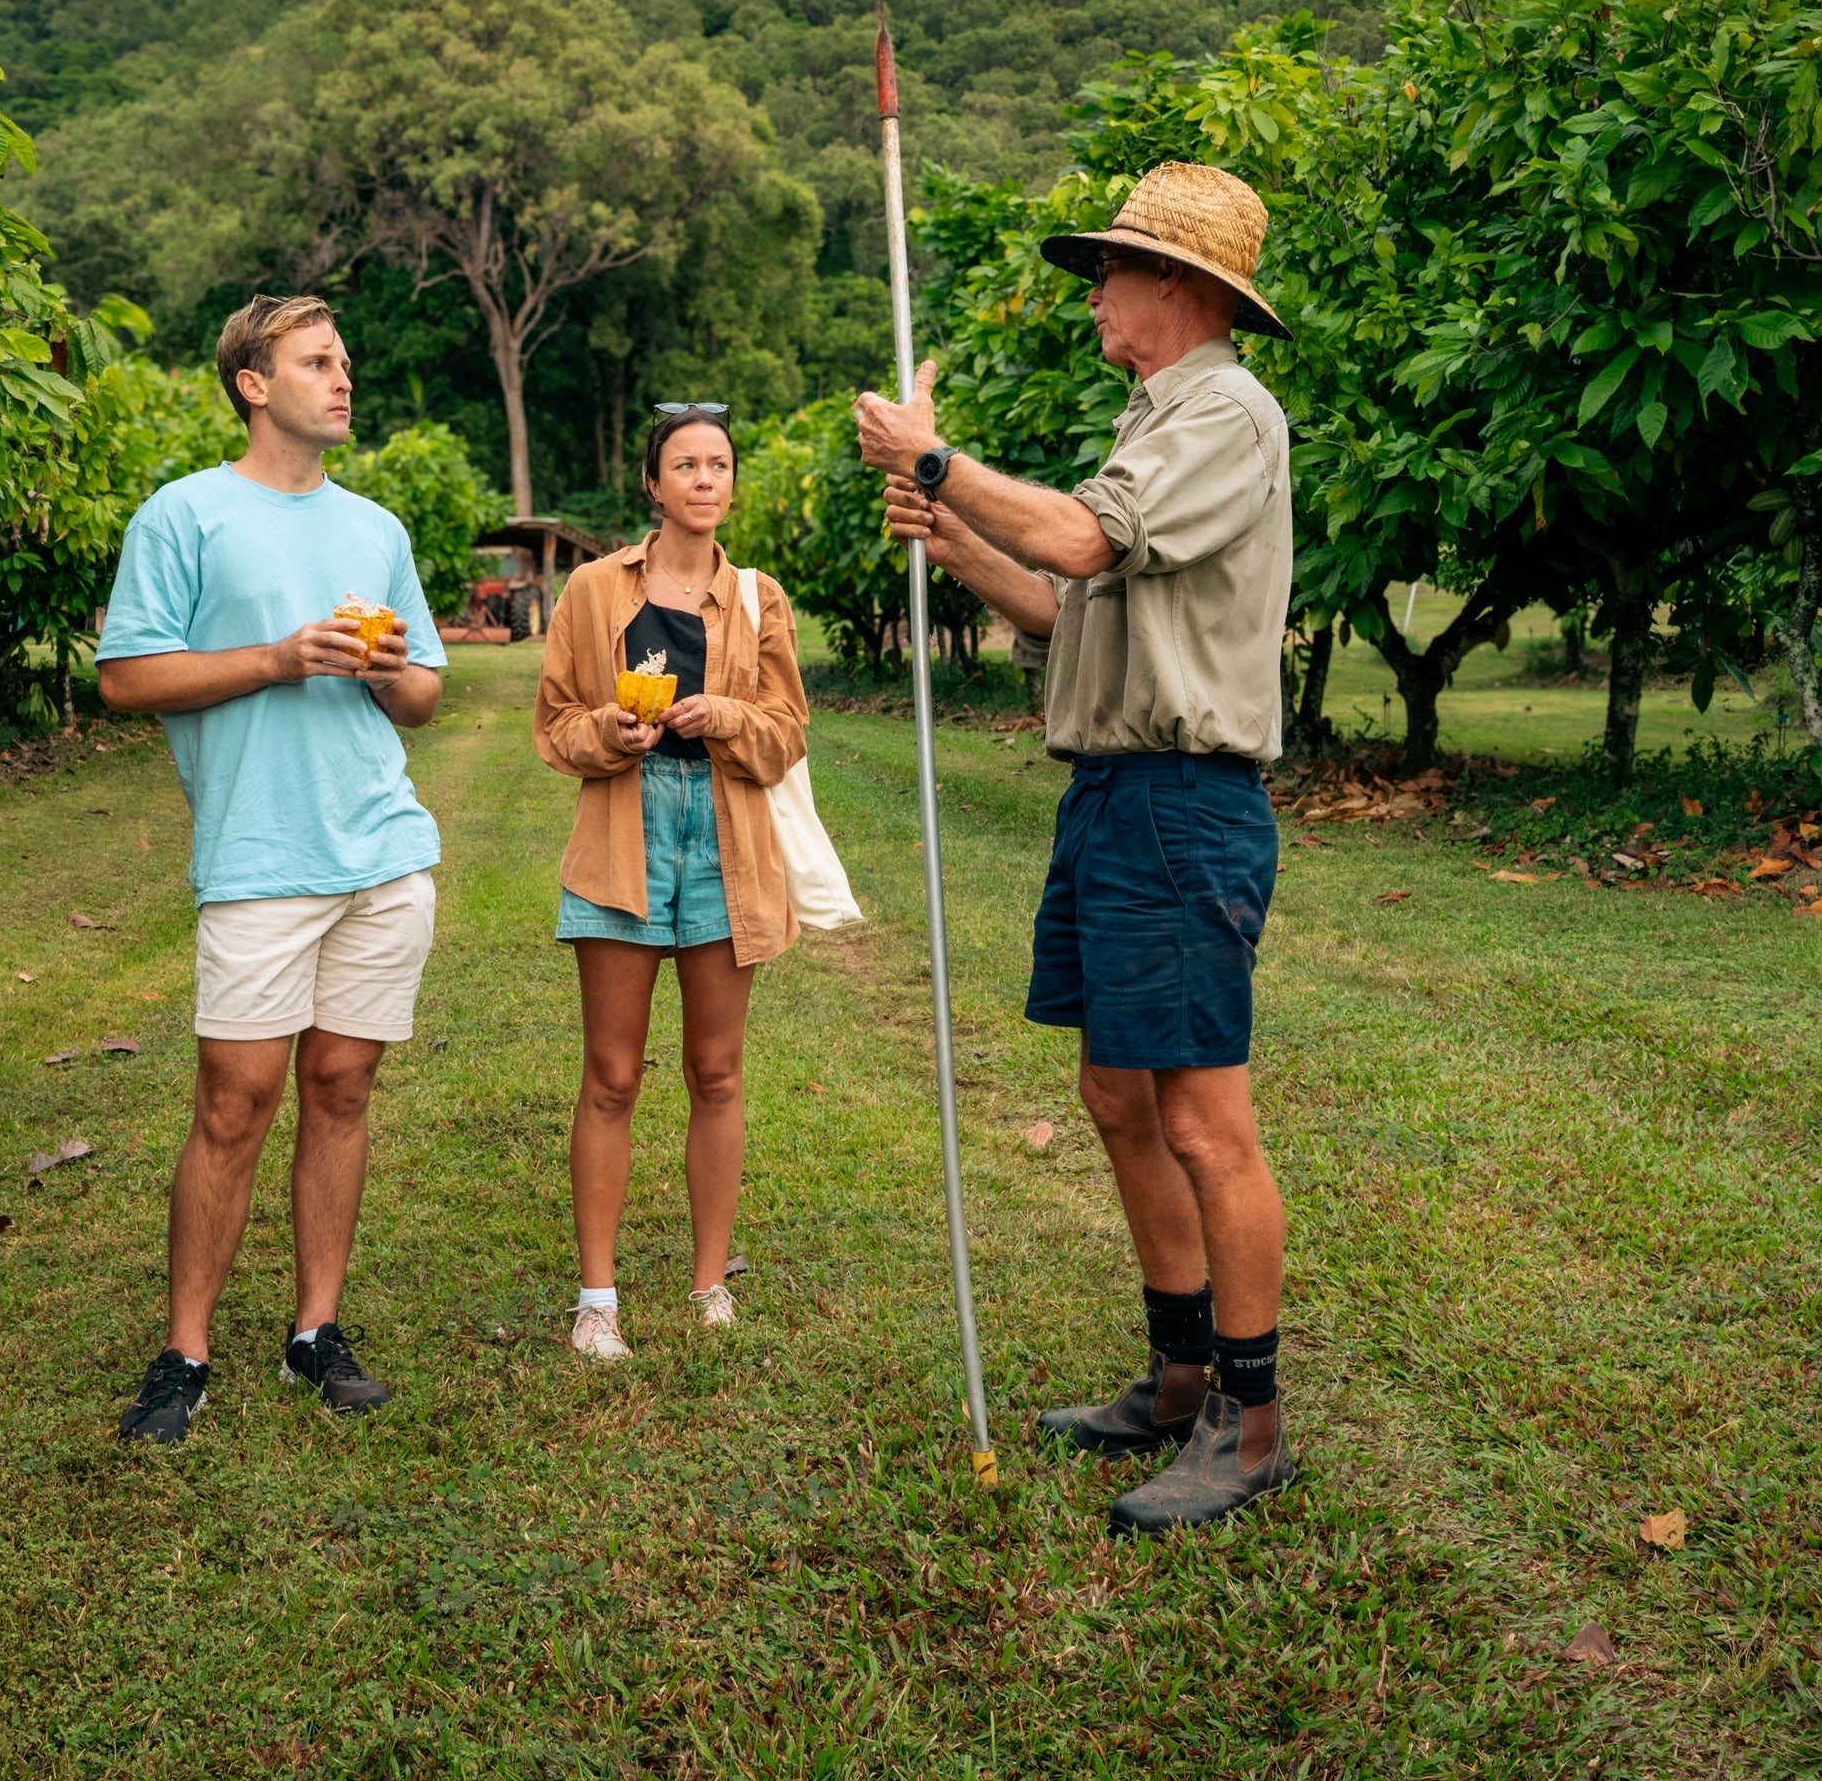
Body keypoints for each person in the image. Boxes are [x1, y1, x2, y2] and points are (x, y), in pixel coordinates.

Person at [855, 161, 1298, 1535]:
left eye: (1109, 269)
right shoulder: (1154, 415)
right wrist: (951, 537)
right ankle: (1175, 1376)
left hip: (1181, 796)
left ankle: (1252, 1417)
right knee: (1117, 1093)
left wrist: (938, 461)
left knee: (1203, 1118)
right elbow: (1063, 605)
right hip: (1115, 792)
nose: (1094, 291)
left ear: (1177, 288)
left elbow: (1080, 536)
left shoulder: (1227, 410)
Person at [97, 294, 448, 1444]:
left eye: (346, 359)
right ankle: (183, 1353)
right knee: (233, 1103)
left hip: (381, 849)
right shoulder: (184, 514)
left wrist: (387, 669)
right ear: (253, 381)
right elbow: (127, 677)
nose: (343, 378)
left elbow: (429, 694)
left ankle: (314, 1334)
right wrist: (278, 657)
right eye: (317, 361)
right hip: (258, 854)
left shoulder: (377, 528)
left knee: (342, 1086)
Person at [533, 406, 809, 1359]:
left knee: (717, 1072)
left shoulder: (758, 600)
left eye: (719, 464)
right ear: (652, 484)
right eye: (684, 464)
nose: (703, 478)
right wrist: (606, 734)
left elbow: (784, 736)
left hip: (724, 842)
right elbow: (555, 724)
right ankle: (597, 1297)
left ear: (731, 484)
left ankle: (706, 1284)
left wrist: (726, 715)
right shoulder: (591, 591)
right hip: (625, 833)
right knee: (611, 1076)